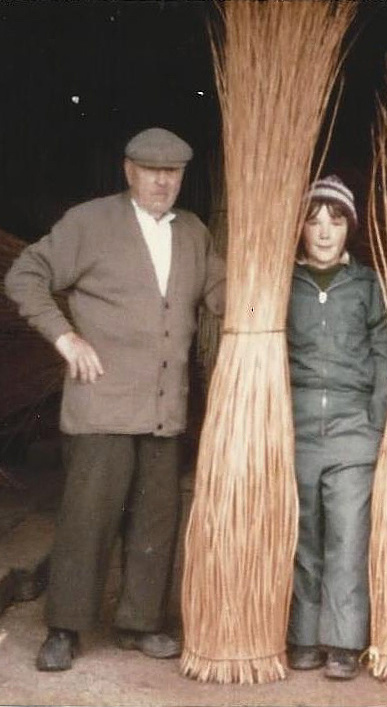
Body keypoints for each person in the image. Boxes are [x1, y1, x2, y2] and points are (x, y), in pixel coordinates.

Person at [4, 127, 226, 671]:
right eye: (151, 170)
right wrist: (65, 337)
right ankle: (65, 628)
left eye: (172, 172)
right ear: (128, 171)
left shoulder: (193, 232)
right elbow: (25, 274)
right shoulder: (90, 222)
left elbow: (226, 297)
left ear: (182, 177)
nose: (161, 181)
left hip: (162, 409)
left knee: (156, 519)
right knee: (88, 519)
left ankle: (139, 624)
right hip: (101, 405)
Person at [285, 175, 387, 680]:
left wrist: (375, 422)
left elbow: (384, 354)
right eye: (314, 220)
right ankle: (303, 636)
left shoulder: (368, 286)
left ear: (350, 227)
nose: (325, 232)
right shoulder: (284, 285)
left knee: (348, 535)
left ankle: (343, 642)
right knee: (303, 534)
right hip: (298, 426)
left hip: (353, 428)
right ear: (301, 229)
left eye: (335, 220)